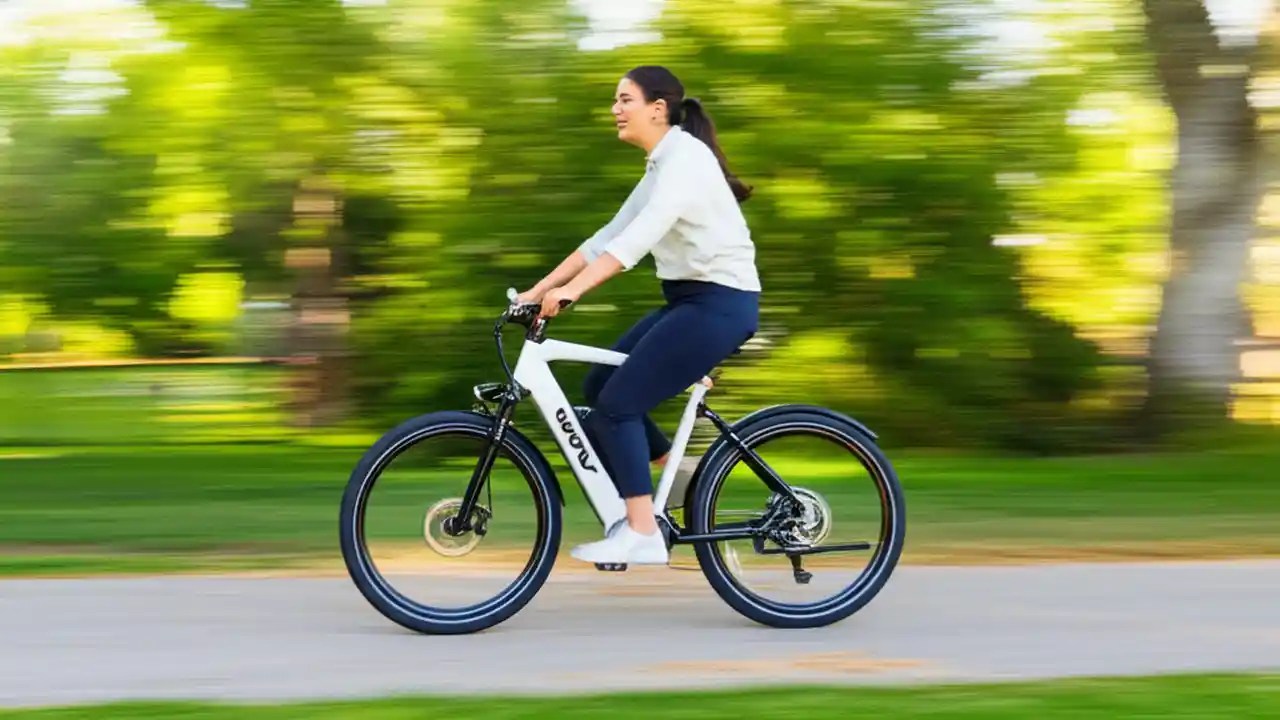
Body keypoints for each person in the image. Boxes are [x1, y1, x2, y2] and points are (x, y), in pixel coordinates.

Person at [515, 65, 761, 565]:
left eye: (624, 99)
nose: (615, 109)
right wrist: (535, 291)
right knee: (597, 388)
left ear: (658, 107)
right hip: (692, 302)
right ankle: (684, 475)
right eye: (615, 100)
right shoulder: (660, 164)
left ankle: (642, 530)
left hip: (721, 303)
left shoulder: (685, 161)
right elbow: (604, 238)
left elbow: (637, 240)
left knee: (619, 405)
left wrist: (573, 292)